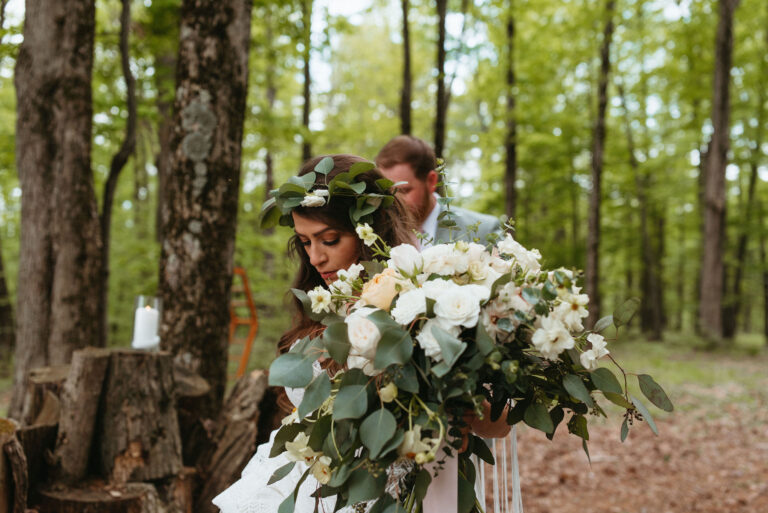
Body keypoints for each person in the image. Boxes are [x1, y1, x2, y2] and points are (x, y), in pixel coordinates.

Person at [213, 155, 509, 513]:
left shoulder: (420, 305)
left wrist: (449, 410)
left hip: (384, 494)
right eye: (305, 242)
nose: (316, 258)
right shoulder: (317, 308)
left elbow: (499, 423)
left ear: (369, 231)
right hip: (300, 487)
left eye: (330, 239)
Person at [375, 135, 501, 246]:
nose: (394, 201)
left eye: (403, 191)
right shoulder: (376, 236)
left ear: (431, 181)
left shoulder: (484, 232)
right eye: (386, 193)